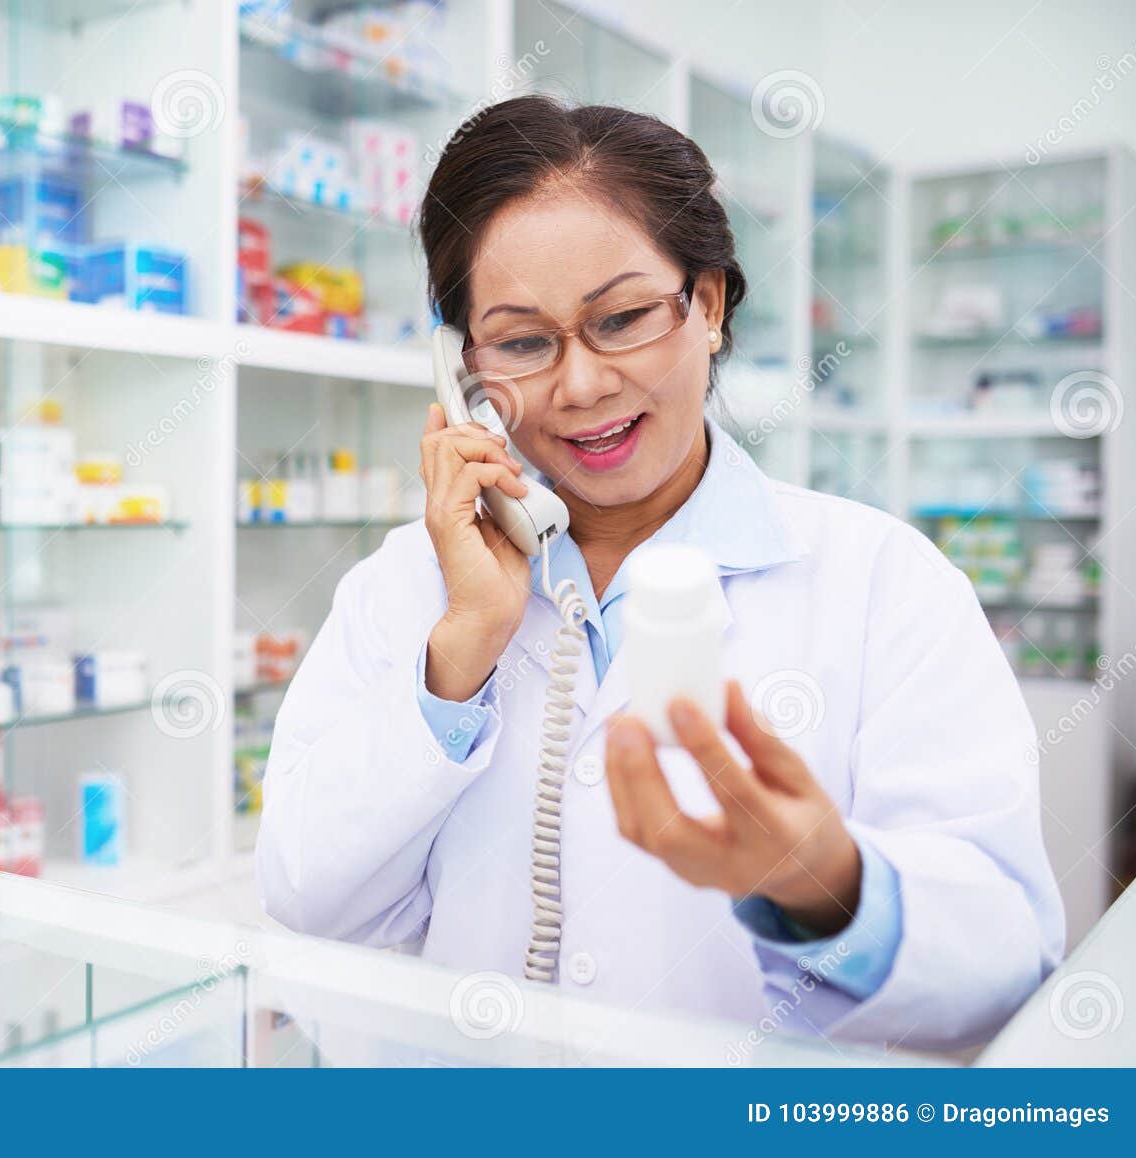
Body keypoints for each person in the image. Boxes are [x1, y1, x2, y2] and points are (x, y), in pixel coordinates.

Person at [255, 96, 1063, 1050]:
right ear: (461, 368)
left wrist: (828, 886)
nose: (582, 384)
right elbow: (306, 898)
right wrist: (460, 655)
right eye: (522, 342)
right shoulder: (406, 590)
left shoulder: (885, 583)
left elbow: (1005, 958)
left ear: (707, 306)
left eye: (623, 318)